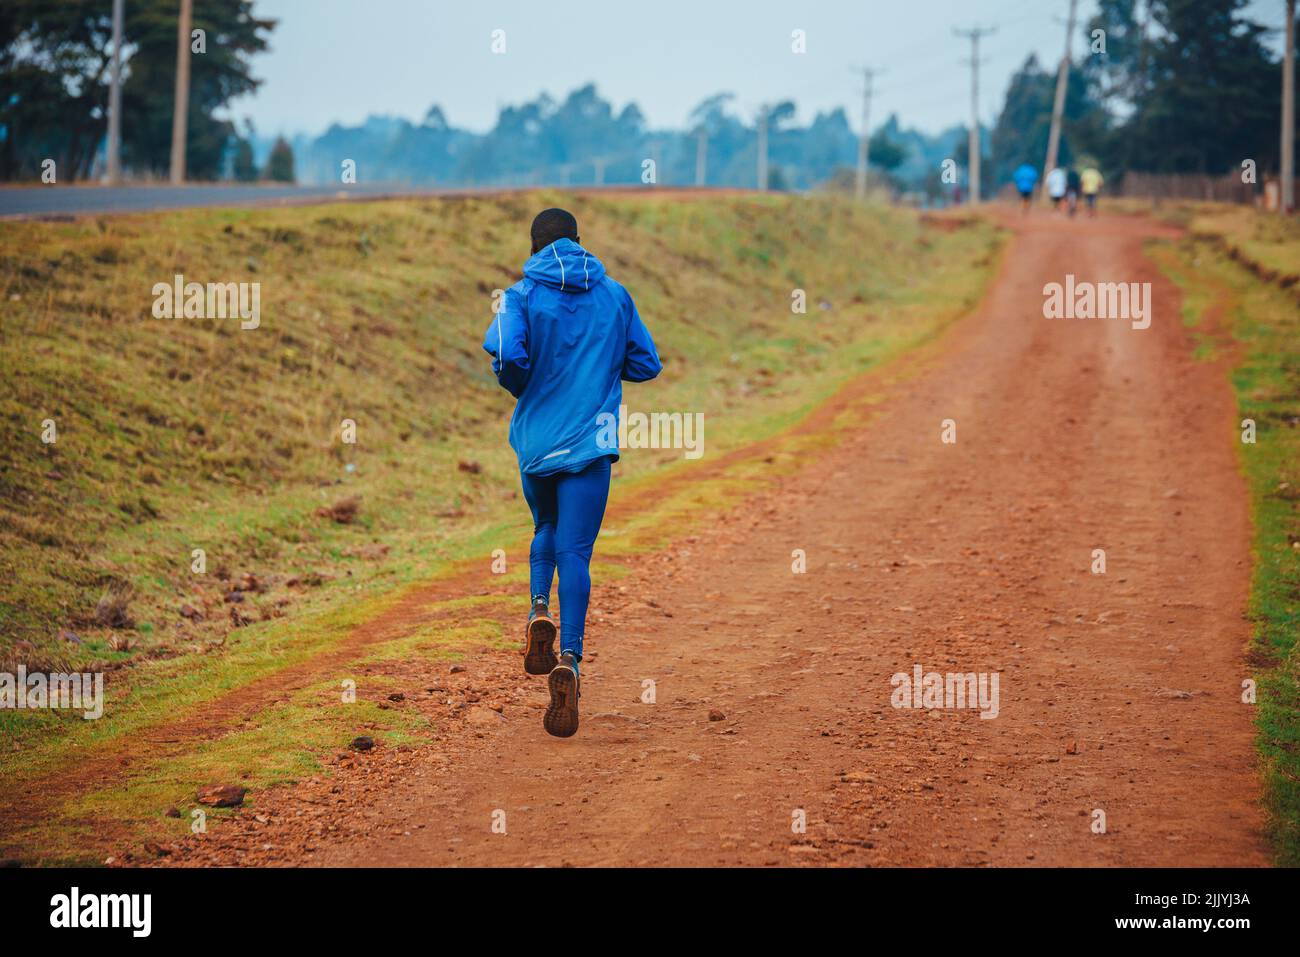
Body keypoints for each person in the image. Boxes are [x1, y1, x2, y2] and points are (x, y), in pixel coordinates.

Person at [482, 208, 662, 738]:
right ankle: (570, 661)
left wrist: (523, 386)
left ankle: (538, 608)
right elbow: (646, 363)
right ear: (580, 242)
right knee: (577, 552)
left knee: (545, 529)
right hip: (590, 442)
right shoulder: (615, 294)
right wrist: (604, 363)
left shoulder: (518, 296)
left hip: (537, 442)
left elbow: (505, 353)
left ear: (534, 248)